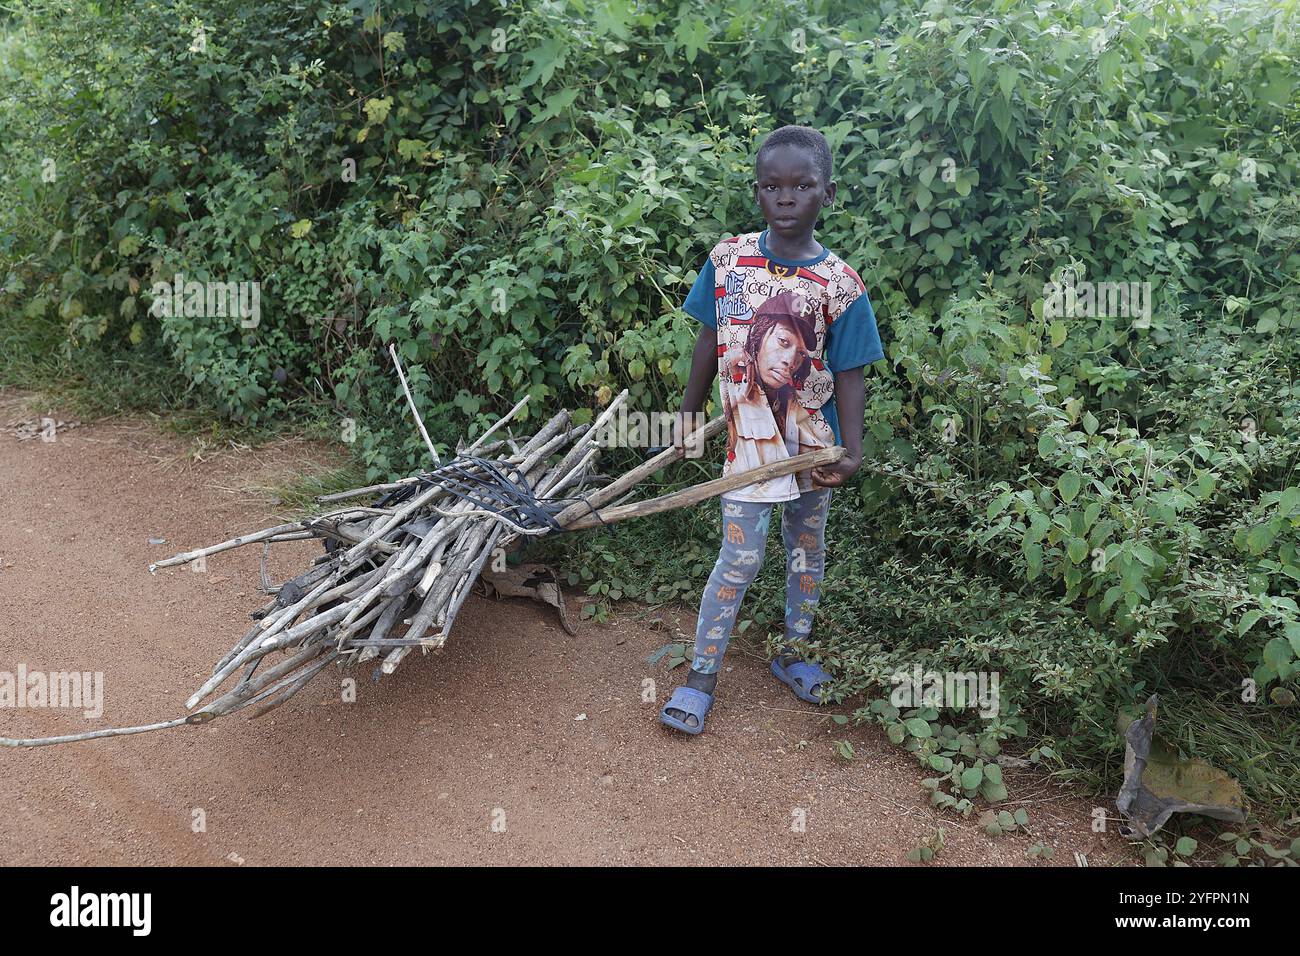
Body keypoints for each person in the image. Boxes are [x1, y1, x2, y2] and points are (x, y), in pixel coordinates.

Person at [659, 124, 885, 734]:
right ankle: (702, 674)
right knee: (740, 554)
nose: (787, 198)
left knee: (805, 550)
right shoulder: (729, 260)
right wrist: (688, 410)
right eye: (773, 186)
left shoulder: (842, 285)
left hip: (812, 445)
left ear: (827, 193)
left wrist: (852, 449)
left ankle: (794, 651)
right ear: (758, 193)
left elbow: (851, 372)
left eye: (802, 185)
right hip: (747, 445)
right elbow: (708, 340)